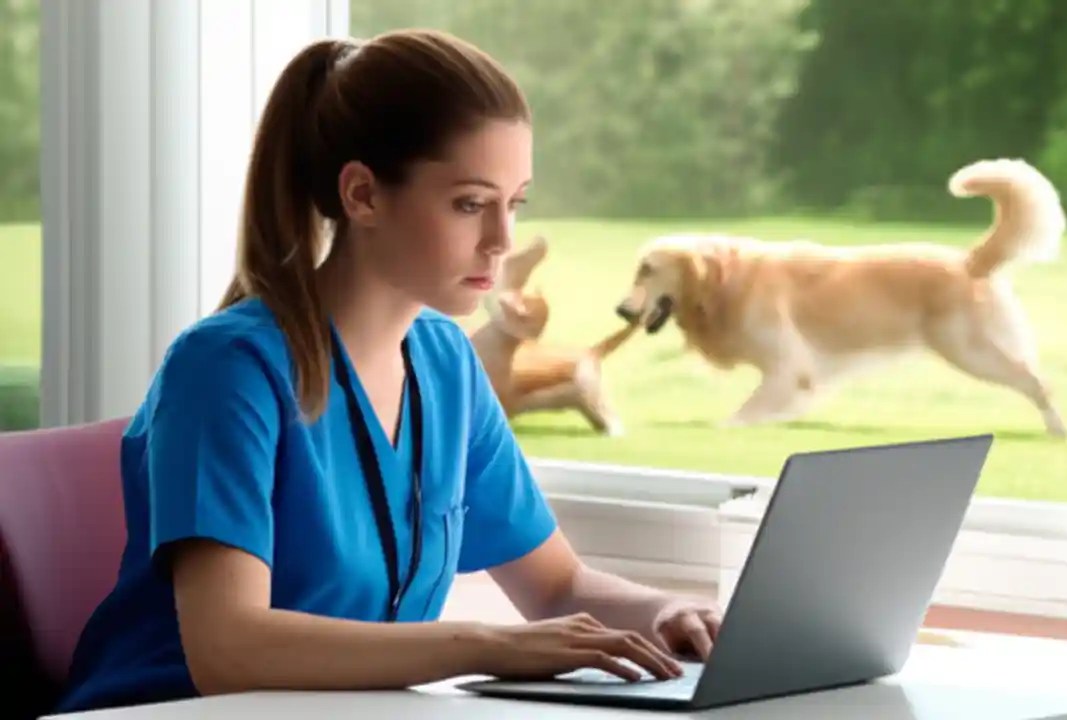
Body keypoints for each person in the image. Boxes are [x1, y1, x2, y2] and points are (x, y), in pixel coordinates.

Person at [55, 28, 721, 714]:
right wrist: (484, 645)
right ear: (363, 195)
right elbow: (229, 649)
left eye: (513, 203)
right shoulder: (227, 370)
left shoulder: (446, 363)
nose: (502, 240)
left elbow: (557, 588)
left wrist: (667, 609)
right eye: (469, 204)